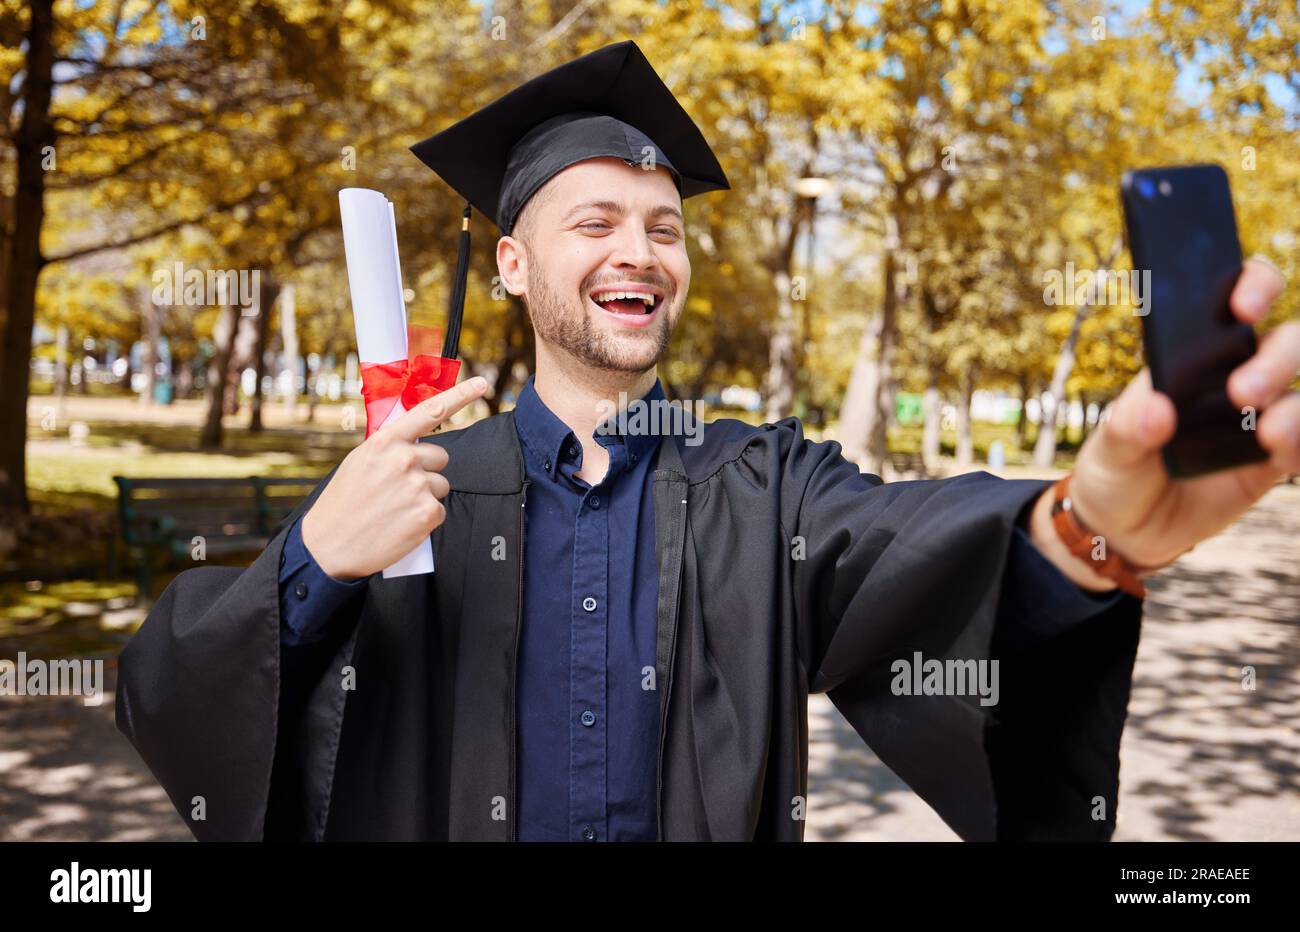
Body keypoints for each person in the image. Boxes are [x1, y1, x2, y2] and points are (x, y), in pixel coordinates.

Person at [115, 41, 1299, 842]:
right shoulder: (410, 496)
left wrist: (1082, 533)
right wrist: (319, 558)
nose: (639, 249)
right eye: (595, 220)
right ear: (514, 266)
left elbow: (917, 542)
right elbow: (176, 690)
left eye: (663, 226)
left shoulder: (760, 487)